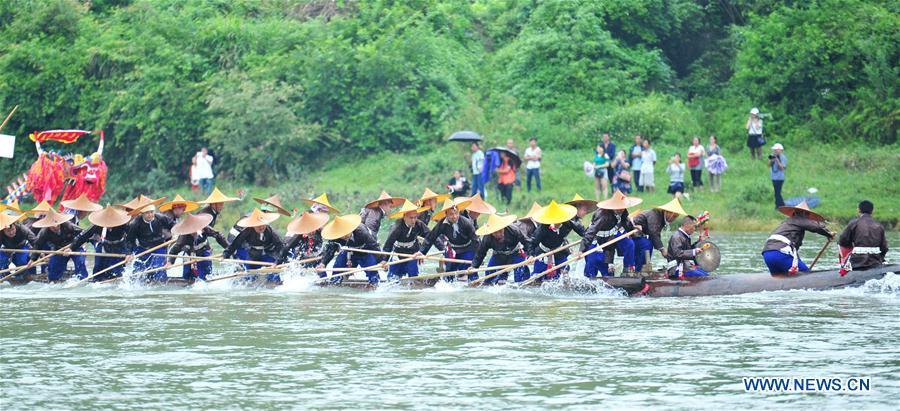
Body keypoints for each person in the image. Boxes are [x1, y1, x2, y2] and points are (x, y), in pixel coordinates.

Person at [580, 191, 641, 277]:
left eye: (623, 207)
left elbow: (626, 223)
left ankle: (628, 270)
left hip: (611, 235)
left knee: (629, 244)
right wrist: (581, 250)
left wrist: (634, 229)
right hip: (595, 238)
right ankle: (588, 279)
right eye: (619, 207)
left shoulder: (623, 211)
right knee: (593, 261)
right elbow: (591, 232)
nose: (622, 209)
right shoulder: (602, 215)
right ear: (613, 206)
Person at [761, 201, 833, 275]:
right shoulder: (799, 219)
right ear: (803, 213)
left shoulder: (786, 223)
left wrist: (799, 263)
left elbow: (793, 251)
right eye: (807, 214)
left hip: (767, 253)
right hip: (780, 253)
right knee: (805, 274)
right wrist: (829, 234)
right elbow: (816, 227)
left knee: (780, 277)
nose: (808, 217)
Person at [421, 198, 478, 281]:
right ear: (446, 214)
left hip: (467, 249)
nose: (454, 216)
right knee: (449, 274)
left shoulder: (466, 223)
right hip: (452, 249)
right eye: (451, 214)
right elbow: (431, 238)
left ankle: (474, 283)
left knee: (470, 271)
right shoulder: (442, 224)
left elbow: (476, 241)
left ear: (459, 212)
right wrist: (421, 252)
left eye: (456, 213)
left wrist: (477, 259)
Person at [71, 205, 133, 282]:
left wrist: (129, 253)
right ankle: (97, 280)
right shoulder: (98, 225)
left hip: (119, 247)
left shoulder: (123, 225)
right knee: (98, 268)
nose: (109, 224)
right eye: (107, 221)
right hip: (104, 246)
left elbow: (130, 239)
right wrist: (71, 248)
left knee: (116, 272)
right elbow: (84, 236)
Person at [529, 201, 587, 280]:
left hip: (560, 250)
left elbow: (585, 233)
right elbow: (532, 242)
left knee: (564, 271)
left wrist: (582, 249)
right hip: (543, 252)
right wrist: (531, 255)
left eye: (558, 219)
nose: (555, 222)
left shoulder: (569, 223)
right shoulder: (543, 228)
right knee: (538, 275)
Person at [223, 208, 284, 283]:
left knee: (274, 273)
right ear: (253, 225)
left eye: (263, 225)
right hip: (253, 254)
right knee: (248, 274)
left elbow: (281, 247)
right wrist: (226, 254)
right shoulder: (246, 231)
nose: (261, 227)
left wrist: (277, 262)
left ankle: (274, 283)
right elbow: (235, 244)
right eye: (258, 225)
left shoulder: (270, 231)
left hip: (268, 254)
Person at [318, 214, 381, 285]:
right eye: (341, 234)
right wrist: (323, 263)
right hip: (349, 250)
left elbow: (374, 246)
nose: (344, 236)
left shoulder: (361, 231)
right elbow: (330, 250)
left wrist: (382, 261)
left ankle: (375, 284)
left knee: (372, 269)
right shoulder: (334, 235)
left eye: (346, 233)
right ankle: (335, 283)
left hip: (365, 250)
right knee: (337, 267)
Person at [471, 214, 531, 284]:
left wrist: (530, 255)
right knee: (489, 278)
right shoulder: (487, 237)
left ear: (504, 227)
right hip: (498, 255)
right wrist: (474, 266)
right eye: (495, 232)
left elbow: (527, 243)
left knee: (521, 275)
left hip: (515, 253)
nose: (499, 234)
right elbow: (480, 253)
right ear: (491, 232)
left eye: (500, 231)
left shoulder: (514, 230)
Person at [167, 213, 228, 282]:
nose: (193, 231)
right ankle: (189, 282)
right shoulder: (183, 236)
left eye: (195, 229)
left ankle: (206, 280)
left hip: (204, 252)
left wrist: (228, 248)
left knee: (206, 272)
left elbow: (218, 235)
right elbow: (174, 250)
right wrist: (170, 262)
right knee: (187, 274)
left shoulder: (205, 228)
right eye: (191, 230)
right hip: (189, 254)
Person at [31, 208, 86, 282]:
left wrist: (73, 247)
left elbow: (83, 235)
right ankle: (54, 281)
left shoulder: (69, 225)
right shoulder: (44, 232)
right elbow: (38, 245)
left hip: (74, 247)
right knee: (53, 271)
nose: (55, 228)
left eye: (57, 225)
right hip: (59, 250)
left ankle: (82, 279)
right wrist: (33, 259)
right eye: (52, 227)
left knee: (80, 261)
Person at [632, 198, 687, 272]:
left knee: (648, 244)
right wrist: (662, 249)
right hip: (632, 235)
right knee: (647, 244)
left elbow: (656, 234)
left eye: (676, 217)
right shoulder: (655, 214)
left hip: (640, 236)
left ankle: (642, 269)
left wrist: (662, 248)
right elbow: (653, 233)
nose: (674, 219)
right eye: (674, 216)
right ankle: (640, 270)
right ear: (668, 212)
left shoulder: (661, 217)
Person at [380, 200, 430, 280]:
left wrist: (422, 252)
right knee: (392, 277)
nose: (413, 220)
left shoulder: (419, 224)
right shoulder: (397, 227)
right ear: (404, 216)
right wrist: (384, 260)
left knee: (413, 275)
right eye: (411, 218)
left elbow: (431, 237)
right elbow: (388, 244)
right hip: (398, 252)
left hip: (412, 253)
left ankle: (414, 285)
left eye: (415, 217)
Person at [838, 200, 888, 274]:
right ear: (872, 211)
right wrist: (880, 259)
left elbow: (842, 241)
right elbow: (884, 248)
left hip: (857, 262)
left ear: (858, 210)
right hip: (875, 262)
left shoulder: (854, 223)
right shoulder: (879, 226)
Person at [126, 203, 175, 278]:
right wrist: (129, 253)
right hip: (143, 249)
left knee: (158, 269)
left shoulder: (160, 218)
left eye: (151, 212)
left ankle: (160, 284)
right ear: (142, 213)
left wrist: (175, 234)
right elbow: (130, 240)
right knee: (138, 273)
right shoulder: (135, 224)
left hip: (159, 248)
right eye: (147, 213)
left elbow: (173, 225)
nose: (150, 215)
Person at [1, 213, 37, 279]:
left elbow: (35, 241)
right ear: (3, 230)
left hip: (21, 247)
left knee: (21, 261)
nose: (11, 232)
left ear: (15, 225)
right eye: (8, 231)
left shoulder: (22, 228)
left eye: (13, 229)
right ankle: (5, 277)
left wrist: (38, 254)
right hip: (7, 248)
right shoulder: (0, 232)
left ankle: (22, 276)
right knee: (1, 260)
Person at [768, 143, 787, 208]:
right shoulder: (772, 156)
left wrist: (777, 160)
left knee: (777, 193)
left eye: (775, 150)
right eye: (774, 150)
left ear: (780, 150)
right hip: (773, 177)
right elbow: (768, 165)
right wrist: (771, 160)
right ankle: (779, 205)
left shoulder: (783, 157)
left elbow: (782, 168)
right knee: (776, 192)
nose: (774, 151)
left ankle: (780, 205)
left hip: (780, 178)